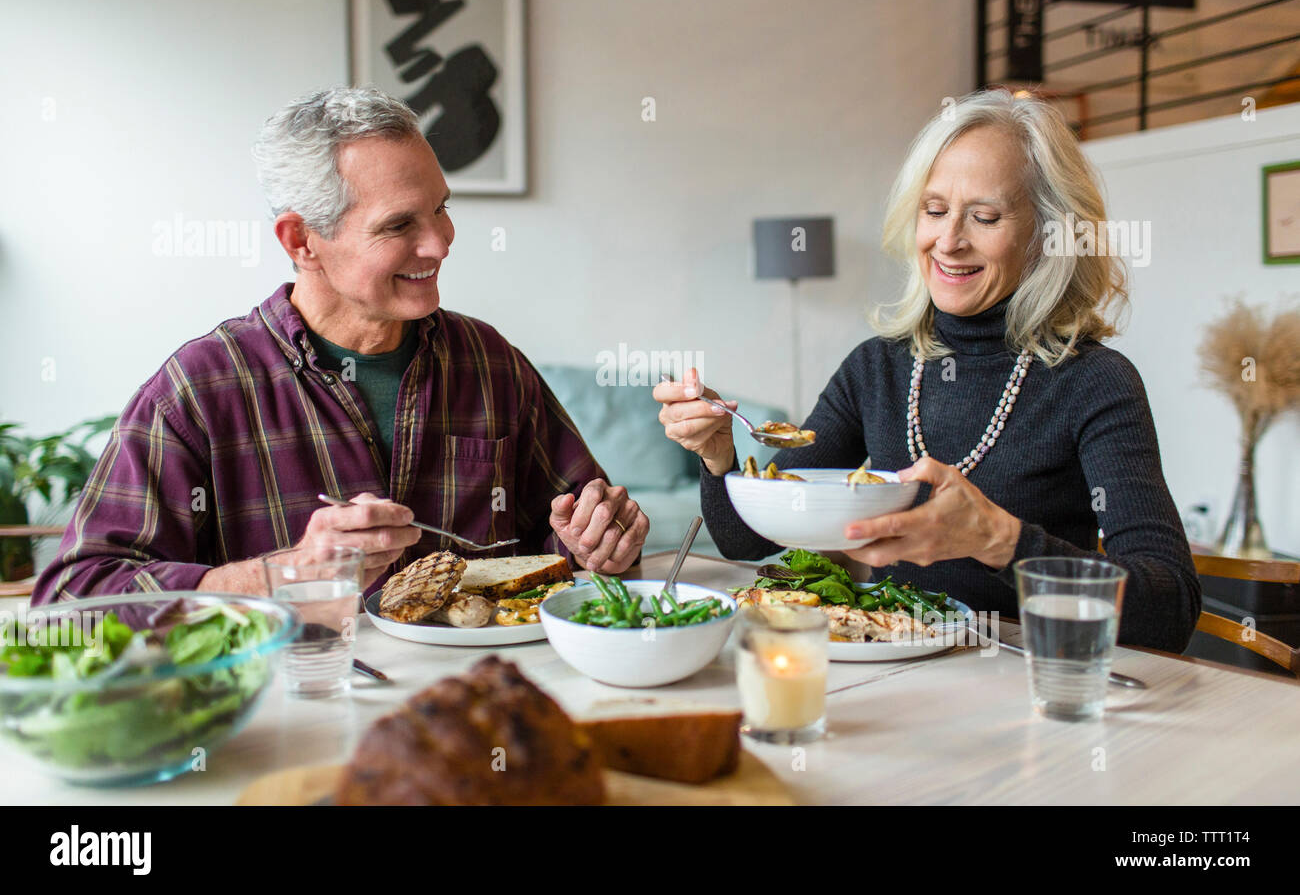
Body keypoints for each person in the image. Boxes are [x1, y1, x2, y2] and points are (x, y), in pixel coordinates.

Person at [36, 86, 648, 604]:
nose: (440, 243)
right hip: (298, 722)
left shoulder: (488, 362)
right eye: (399, 224)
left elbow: (573, 536)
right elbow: (76, 597)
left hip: (481, 708)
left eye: (441, 209)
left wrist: (600, 541)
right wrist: (283, 575)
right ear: (302, 242)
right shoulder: (199, 389)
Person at [654, 89, 1200, 653]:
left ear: (1046, 236)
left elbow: (1169, 609)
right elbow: (746, 539)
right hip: (901, 668)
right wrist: (719, 454)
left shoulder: (1095, 382)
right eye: (934, 210)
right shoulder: (877, 368)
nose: (949, 240)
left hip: (1031, 682)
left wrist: (999, 539)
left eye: (984, 216)